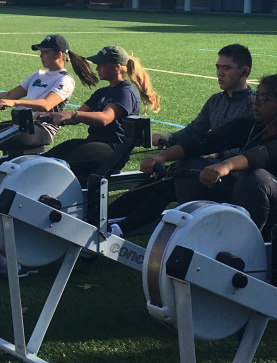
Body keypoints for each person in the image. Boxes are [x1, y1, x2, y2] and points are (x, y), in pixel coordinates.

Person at [132, 73, 277, 241]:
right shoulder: (255, 125)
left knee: (256, 178)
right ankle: (197, 236)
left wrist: (225, 166)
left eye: (266, 99)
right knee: (189, 164)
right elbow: (207, 140)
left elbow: (263, 154)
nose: (257, 103)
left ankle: (244, 247)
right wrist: (162, 157)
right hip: (253, 203)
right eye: (257, 97)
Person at [109, 43, 256, 232]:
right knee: (157, 181)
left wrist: (216, 154)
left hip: (230, 178)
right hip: (202, 170)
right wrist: (167, 135)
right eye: (218, 68)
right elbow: (193, 131)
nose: (220, 73)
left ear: (244, 71)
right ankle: (104, 219)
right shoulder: (215, 101)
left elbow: (251, 150)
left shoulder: (254, 105)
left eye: (226, 68)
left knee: (170, 180)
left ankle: (119, 229)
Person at [0, 33, 99, 158]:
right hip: (24, 124)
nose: (41, 55)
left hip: (42, 129)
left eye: (45, 52)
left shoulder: (65, 80)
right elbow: (11, 94)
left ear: (58, 54)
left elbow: (46, 104)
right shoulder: (38, 75)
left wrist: (15, 103)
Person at [43, 45, 161, 185]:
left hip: (113, 150)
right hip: (93, 143)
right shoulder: (102, 92)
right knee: (47, 160)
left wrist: (74, 115)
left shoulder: (125, 92)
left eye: (101, 64)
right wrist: (46, 116)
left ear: (116, 67)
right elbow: (75, 117)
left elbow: (105, 118)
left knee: (61, 165)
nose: (97, 68)